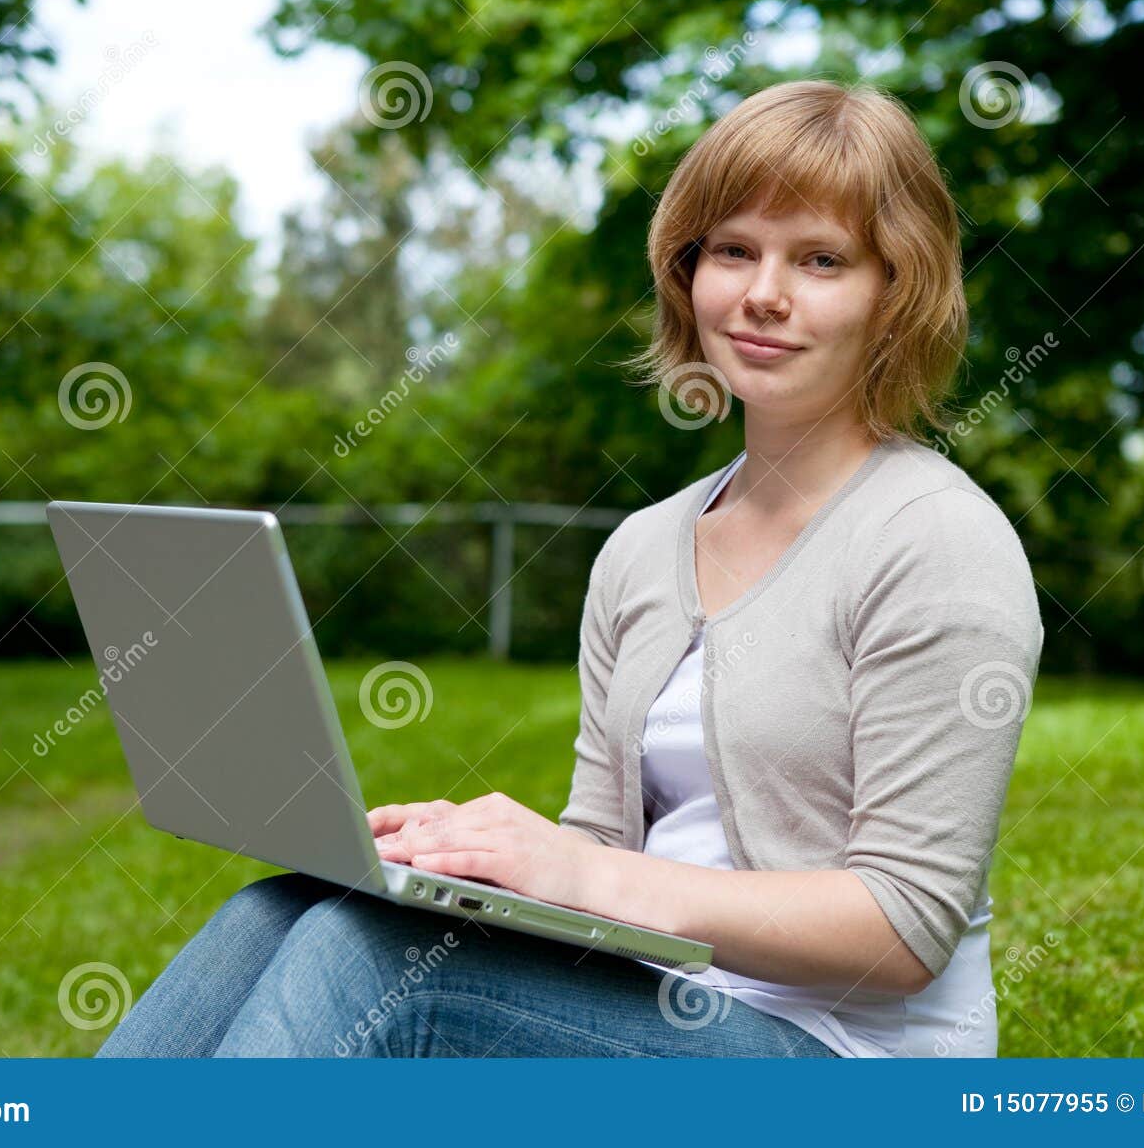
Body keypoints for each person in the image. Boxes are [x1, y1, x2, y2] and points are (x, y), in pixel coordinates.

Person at [97, 77, 1043, 1059]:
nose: (764, 291)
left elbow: (902, 926)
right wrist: (467, 859)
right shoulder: (644, 547)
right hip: (650, 1005)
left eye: (820, 259)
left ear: (895, 294)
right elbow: (599, 841)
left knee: (364, 958)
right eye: (733, 249)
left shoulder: (936, 541)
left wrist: (579, 876)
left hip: (837, 1057)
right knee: (281, 908)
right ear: (688, 271)